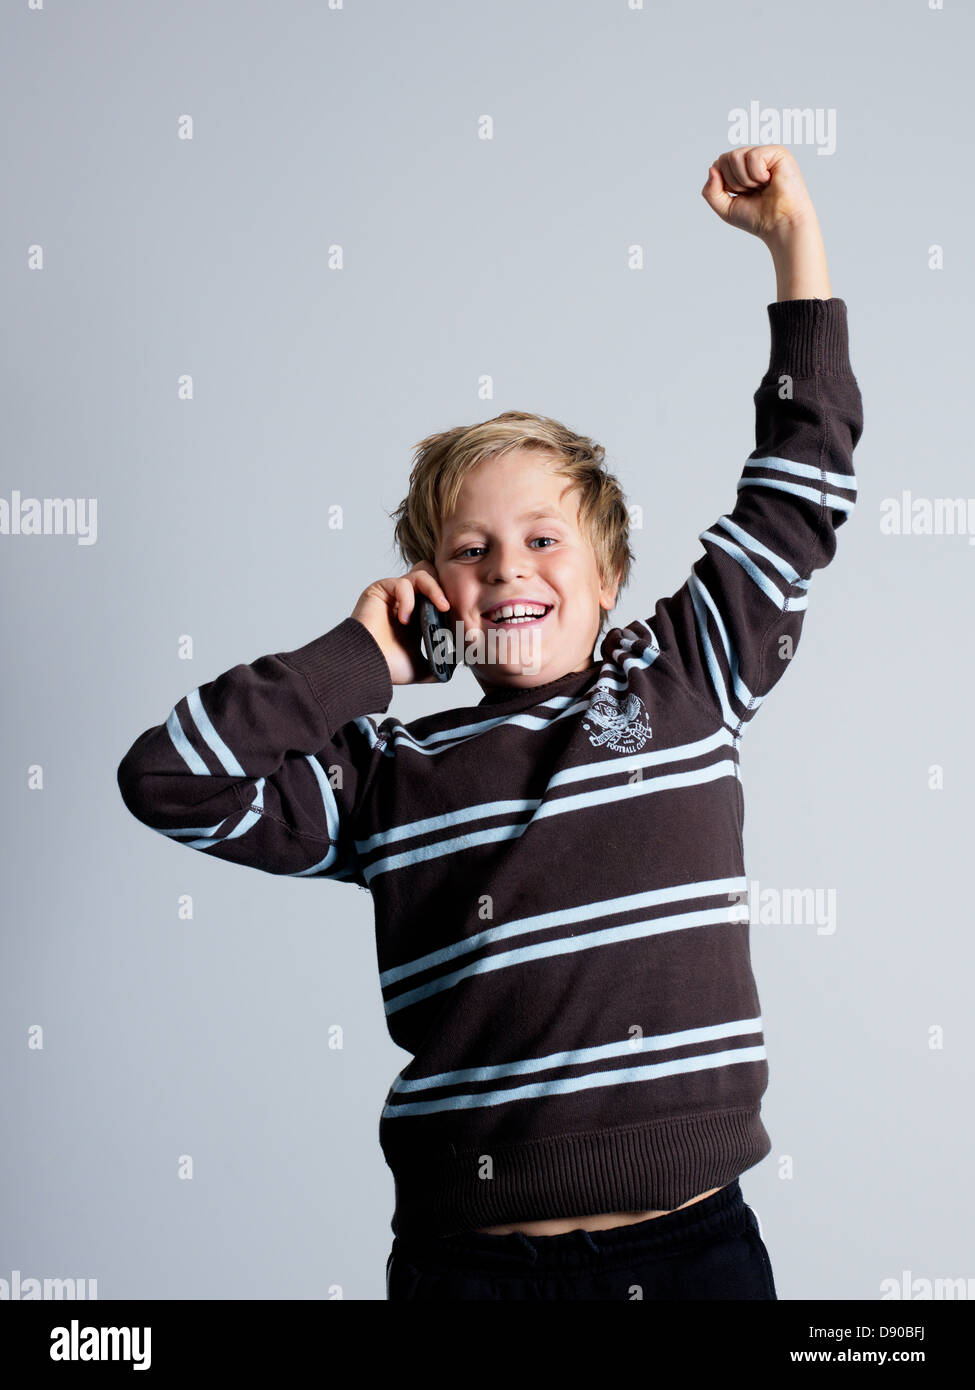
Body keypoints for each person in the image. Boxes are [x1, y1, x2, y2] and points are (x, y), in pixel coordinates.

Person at [117, 145, 863, 1299]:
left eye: (544, 538)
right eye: (471, 550)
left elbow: (802, 477)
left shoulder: (685, 678)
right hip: (469, 1270)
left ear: (612, 574)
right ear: (433, 589)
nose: (509, 567)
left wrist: (792, 247)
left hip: (694, 1254)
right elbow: (171, 778)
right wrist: (356, 660)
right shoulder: (386, 774)